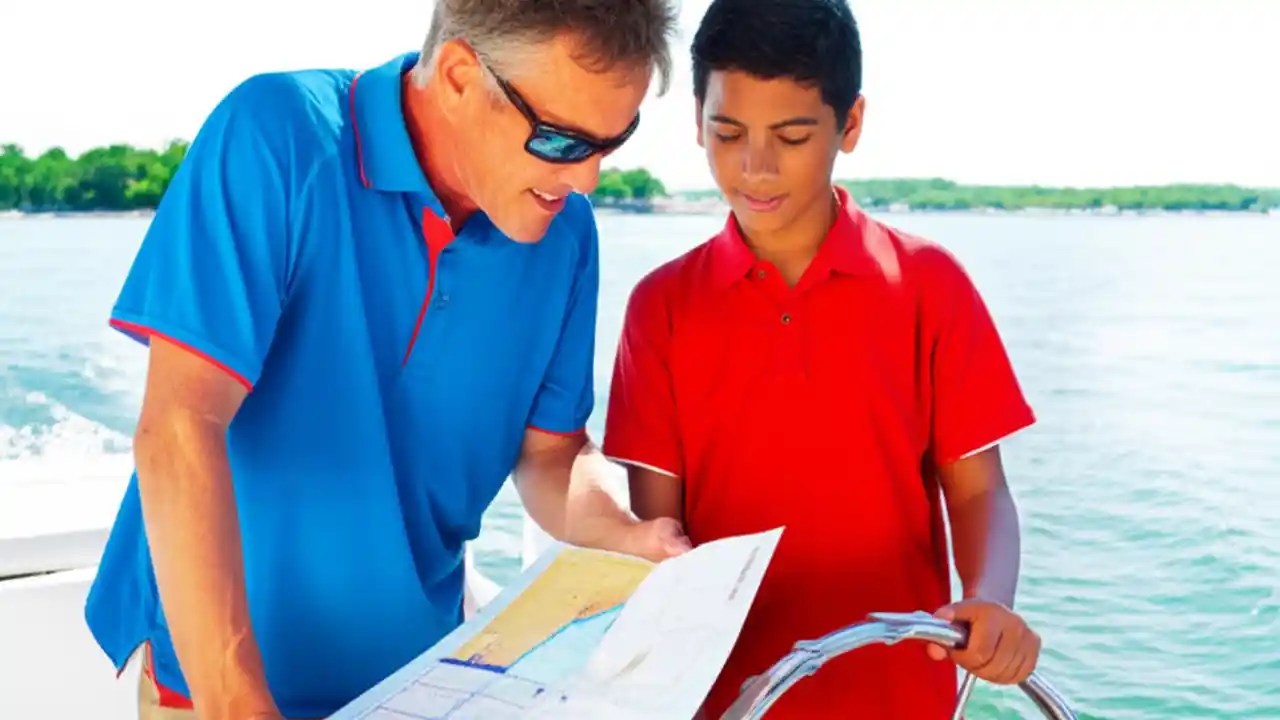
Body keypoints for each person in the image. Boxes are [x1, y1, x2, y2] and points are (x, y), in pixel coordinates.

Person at [84, 2, 689, 718]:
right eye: (561, 143)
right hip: (218, 688)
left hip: (416, 688)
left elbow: (553, 458)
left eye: (612, 141)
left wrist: (628, 534)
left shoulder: (567, 237)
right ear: (462, 76)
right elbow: (178, 427)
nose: (587, 179)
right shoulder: (277, 136)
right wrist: (236, 703)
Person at [602, 0, 1043, 717]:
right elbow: (659, 535)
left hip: (899, 692)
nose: (756, 166)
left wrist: (989, 598)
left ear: (851, 124)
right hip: (722, 700)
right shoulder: (661, 307)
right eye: (728, 131)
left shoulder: (930, 284)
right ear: (695, 121)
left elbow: (977, 490)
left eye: (793, 135)